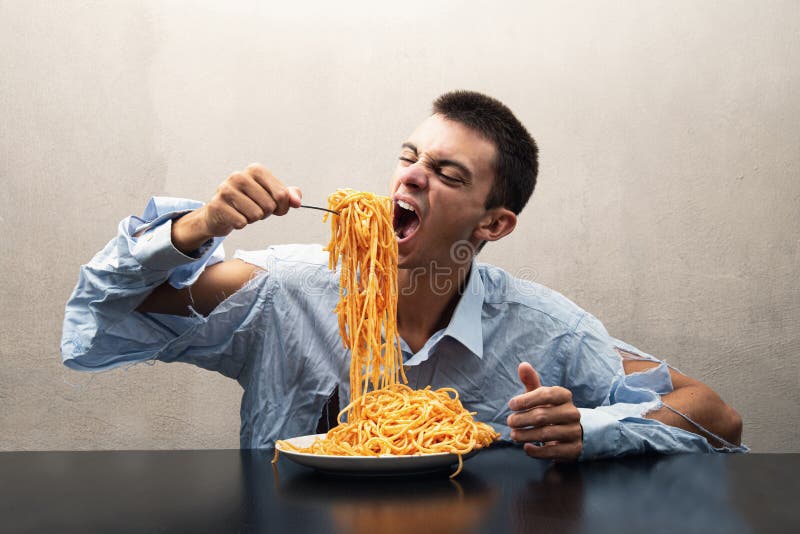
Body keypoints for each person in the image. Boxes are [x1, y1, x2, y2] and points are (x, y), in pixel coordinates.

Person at [62, 90, 744, 461]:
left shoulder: (547, 332)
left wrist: (588, 432)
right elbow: (106, 318)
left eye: (448, 174)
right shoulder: (283, 290)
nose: (412, 175)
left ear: (492, 225)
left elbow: (715, 416)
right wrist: (195, 229)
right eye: (411, 157)